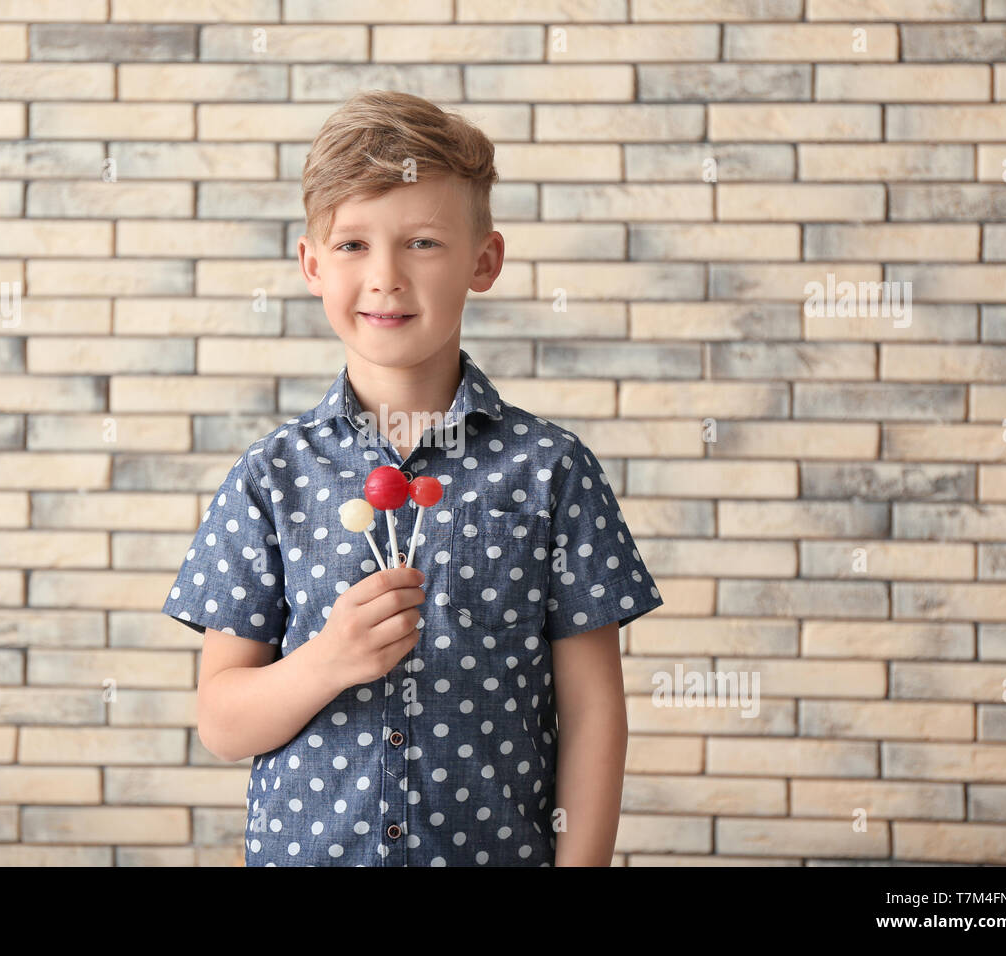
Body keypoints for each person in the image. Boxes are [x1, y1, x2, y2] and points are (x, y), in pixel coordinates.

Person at [162, 89, 664, 866]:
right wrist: (329, 660)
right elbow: (224, 723)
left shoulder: (551, 472)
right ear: (311, 265)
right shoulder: (271, 479)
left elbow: (594, 710)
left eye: (423, 242)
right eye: (354, 245)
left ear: (483, 261)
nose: (386, 277)